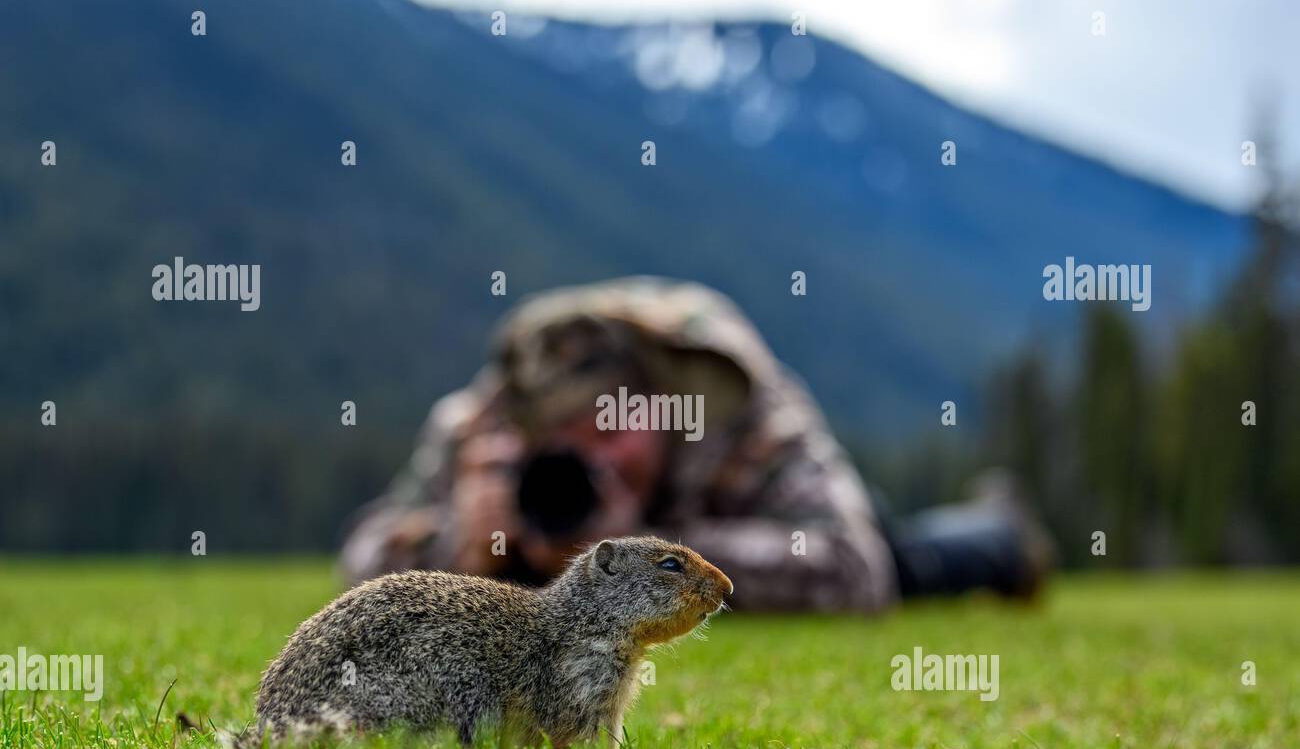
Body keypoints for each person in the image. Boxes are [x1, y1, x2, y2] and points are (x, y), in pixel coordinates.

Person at [341, 278, 1052, 613]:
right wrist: (464, 546)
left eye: (612, 429)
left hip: (747, 520)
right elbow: (362, 558)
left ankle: (1002, 535)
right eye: (564, 441)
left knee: (901, 560)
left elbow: (854, 570)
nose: (592, 459)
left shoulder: (745, 413)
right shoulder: (482, 429)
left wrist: (647, 549)